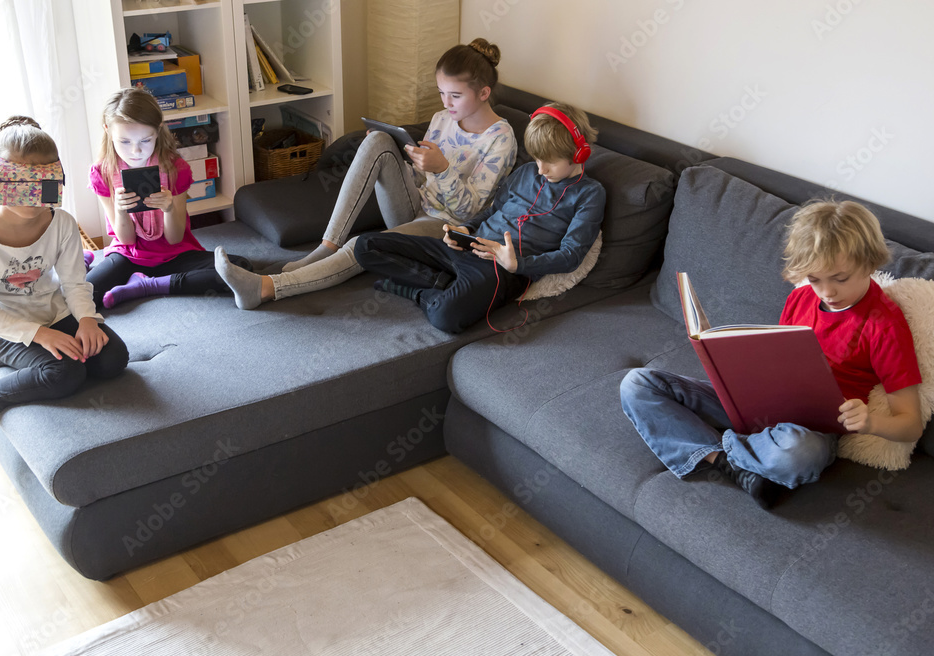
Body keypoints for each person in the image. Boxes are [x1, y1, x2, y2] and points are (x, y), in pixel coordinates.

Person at [620, 200, 923, 509]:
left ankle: (717, 453)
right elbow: (778, 360)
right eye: (814, 278)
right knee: (637, 384)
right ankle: (731, 461)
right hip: (755, 407)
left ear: (869, 263)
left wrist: (870, 423)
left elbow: (911, 424)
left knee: (796, 454)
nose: (826, 292)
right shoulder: (801, 298)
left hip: (811, 430)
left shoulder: (885, 325)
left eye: (840, 278)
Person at [213, 38, 517, 309]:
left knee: (361, 243)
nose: (445, 103)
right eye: (441, 92)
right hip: (416, 205)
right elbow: (421, 181)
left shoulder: (501, 139)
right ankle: (327, 246)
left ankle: (266, 288)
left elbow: (471, 212)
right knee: (377, 140)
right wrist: (404, 156)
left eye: (455, 96)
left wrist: (442, 168)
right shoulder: (443, 118)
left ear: (483, 92)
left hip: (447, 228)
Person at [0, 117, 129, 465]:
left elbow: (74, 282)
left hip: (56, 311)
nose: (36, 196)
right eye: (23, 184)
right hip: (6, 328)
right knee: (66, 374)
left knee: (113, 358)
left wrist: (88, 320)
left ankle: (34, 364)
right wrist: (39, 335)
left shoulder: (61, 222)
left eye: (46, 183)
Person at [349, 102, 605, 334]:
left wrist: (518, 264)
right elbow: (493, 211)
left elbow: (571, 256)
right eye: (538, 159)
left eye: (550, 162)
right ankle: (442, 282)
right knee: (365, 246)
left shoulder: (590, 194)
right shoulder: (527, 172)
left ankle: (416, 291)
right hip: (468, 246)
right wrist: (466, 229)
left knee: (445, 316)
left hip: (499, 270)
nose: (541, 169)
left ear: (579, 153)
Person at [85, 87, 251, 308]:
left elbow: (174, 238)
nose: (135, 151)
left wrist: (169, 209)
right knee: (84, 296)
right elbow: (126, 240)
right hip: (128, 255)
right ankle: (99, 268)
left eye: (145, 140)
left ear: (158, 130)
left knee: (241, 269)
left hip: (174, 254)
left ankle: (149, 285)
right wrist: (120, 210)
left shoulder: (175, 168)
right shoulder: (102, 172)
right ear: (108, 130)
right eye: (124, 142)